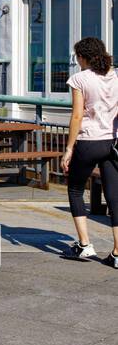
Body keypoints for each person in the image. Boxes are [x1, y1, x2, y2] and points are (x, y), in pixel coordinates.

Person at [61, 37, 118, 264]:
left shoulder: (80, 79)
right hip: (112, 143)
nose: (77, 61)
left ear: (83, 57)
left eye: (78, 57)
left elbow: (77, 115)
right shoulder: (115, 76)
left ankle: (84, 245)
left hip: (88, 142)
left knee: (75, 189)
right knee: (114, 197)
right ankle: (116, 253)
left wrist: (68, 148)